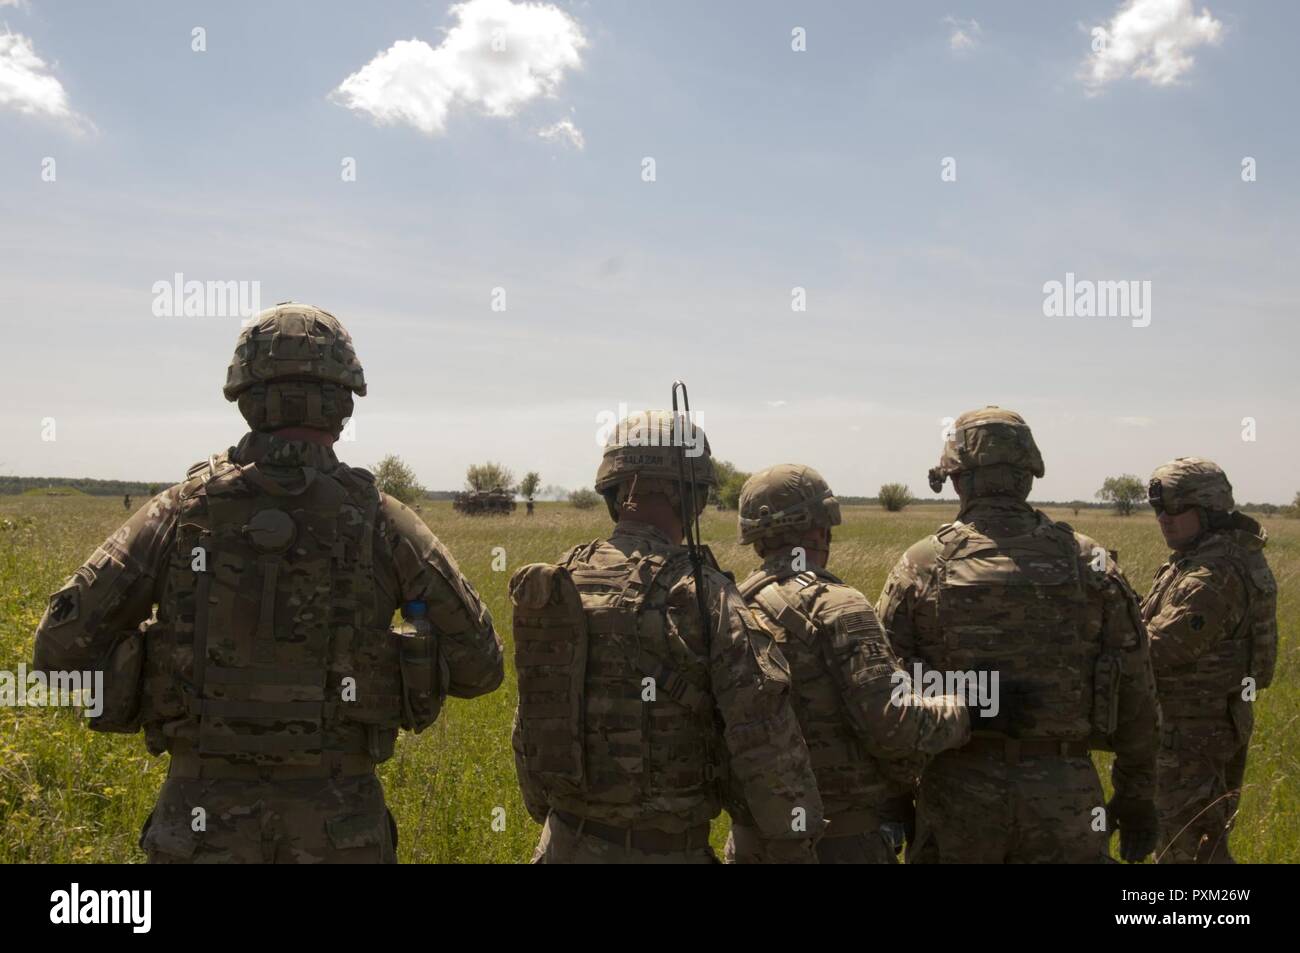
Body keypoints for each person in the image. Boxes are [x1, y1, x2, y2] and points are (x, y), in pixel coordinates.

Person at [32, 302, 504, 863]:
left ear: (248, 400)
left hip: (197, 828)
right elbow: (481, 669)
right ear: (343, 404)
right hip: (340, 831)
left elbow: (57, 652)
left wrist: (150, 672)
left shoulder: (178, 512)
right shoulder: (383, 520)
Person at [510, 410, 823, 863]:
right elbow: (763, 736)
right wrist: (795, 843)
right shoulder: (704, 593)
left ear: (613, 492)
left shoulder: (560, 582)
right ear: (690, 495)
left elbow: (529, 723)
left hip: (561, 842)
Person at [877, 407, 1161, 863]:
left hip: (957, 792)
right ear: (1028, 475)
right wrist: (1138, 797)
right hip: (1065, 794)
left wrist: (892, 801)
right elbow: (1137, 694)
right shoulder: (1090, 562)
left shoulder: (921, 564)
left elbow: (887, 694)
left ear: (957, 478)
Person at [727, 463, 969, 863]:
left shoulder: (728, 605)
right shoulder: (838, 604)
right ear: (821, 528)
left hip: (751, 840)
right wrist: (962, 712)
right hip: (838, 840)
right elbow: (893, 724)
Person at [1142, 457, 1277, 863]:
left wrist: (1107, 630)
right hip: (1203, 726)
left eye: (1175, 508)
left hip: (1194, 733)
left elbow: (1158, 649)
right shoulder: (1206, 555)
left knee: (1187, 846)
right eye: (1158, 508)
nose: (1164, 518)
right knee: (1198, 843)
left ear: (1209, 509)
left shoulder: (1215, 571)